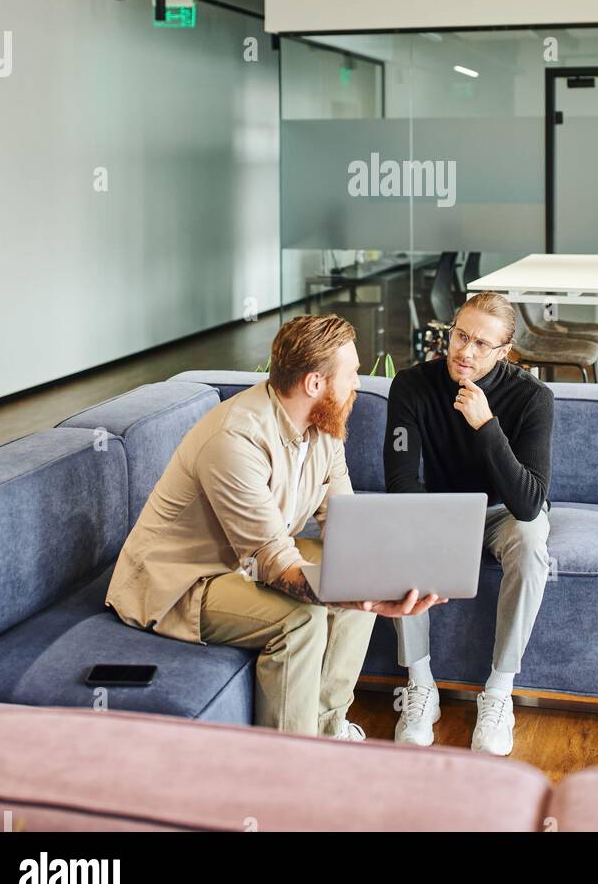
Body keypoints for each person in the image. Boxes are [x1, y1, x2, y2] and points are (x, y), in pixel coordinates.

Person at [106, 313, 443, 739]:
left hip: (248, 560)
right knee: (301, 617)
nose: (358, 384)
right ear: (315, 384)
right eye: (352, 373)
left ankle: (326, 727)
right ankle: (290, 758)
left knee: (360, 570)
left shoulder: (325, 428)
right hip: (183, 580)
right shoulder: (236, 438)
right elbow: (274, 564)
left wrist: (388, 578)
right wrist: (359, 594)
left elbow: (347, 526)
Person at [384, 291, 554, 755]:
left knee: (532, 536)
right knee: (401, 525)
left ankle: (498, 692)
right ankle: (420, 687)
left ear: (504, 353)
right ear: (451, 329)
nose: (465, 351)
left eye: (482, 344)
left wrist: (486, 426)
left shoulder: (533, 397)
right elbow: (400, 481)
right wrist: (438, 527)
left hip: (503, 514)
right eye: (461, 335)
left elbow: (528, 501)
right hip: (437, 511)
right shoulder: (411, 386)